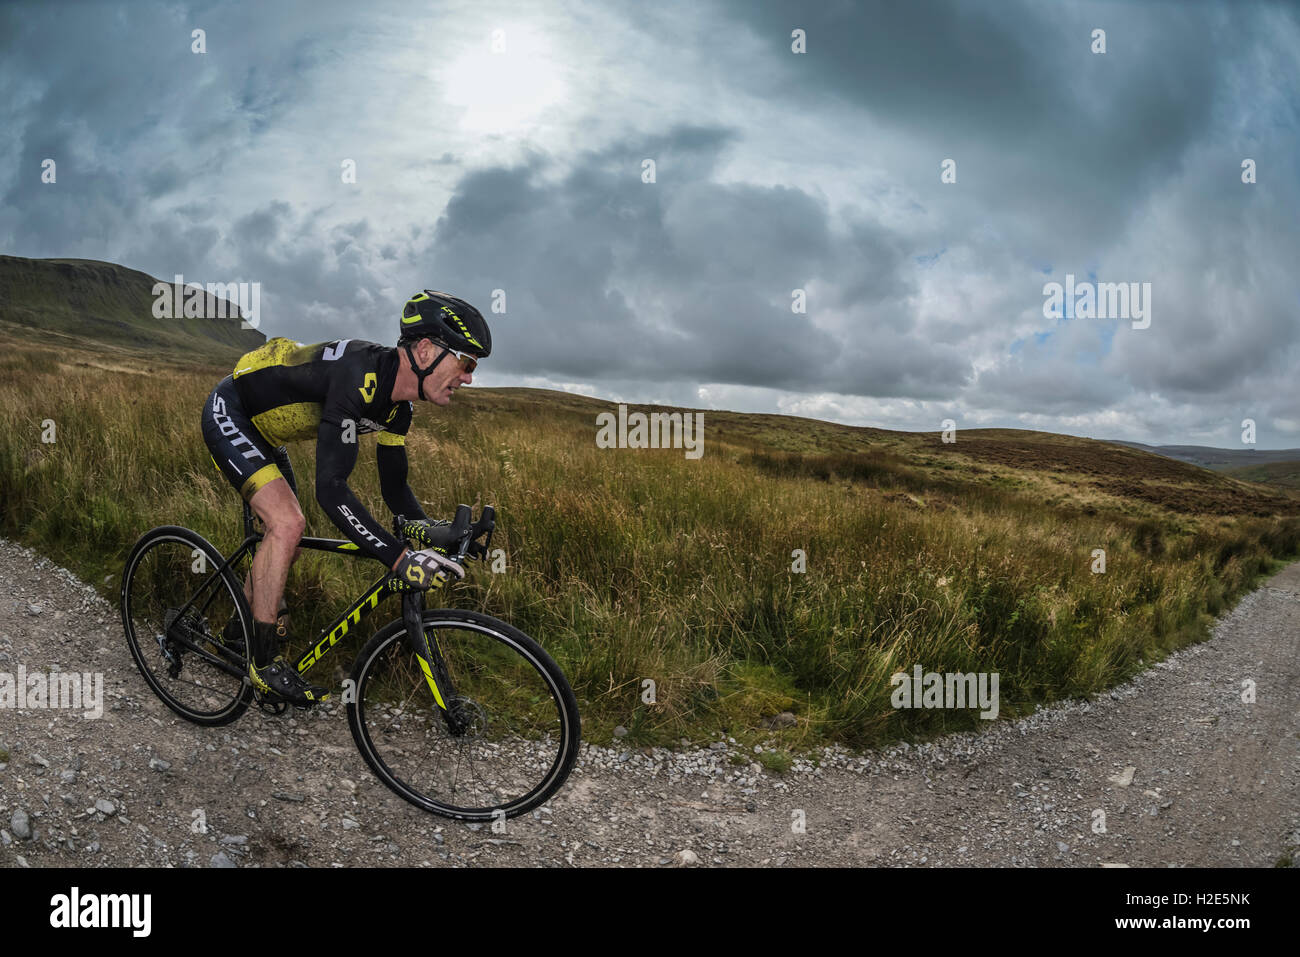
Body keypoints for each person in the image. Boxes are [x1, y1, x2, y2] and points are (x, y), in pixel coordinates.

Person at [199, 290, 491, 706]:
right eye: (466, 362)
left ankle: (236, 634)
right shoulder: (359, 374)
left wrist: (433, 531)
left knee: (287, 543)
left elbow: (394, 489)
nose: (468, 377)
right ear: (425, 351)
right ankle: (262, 666)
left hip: (269, 436)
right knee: (287, 524)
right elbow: (331, 489)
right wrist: (398, 558)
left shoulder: (399, 408)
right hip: (232, 411)